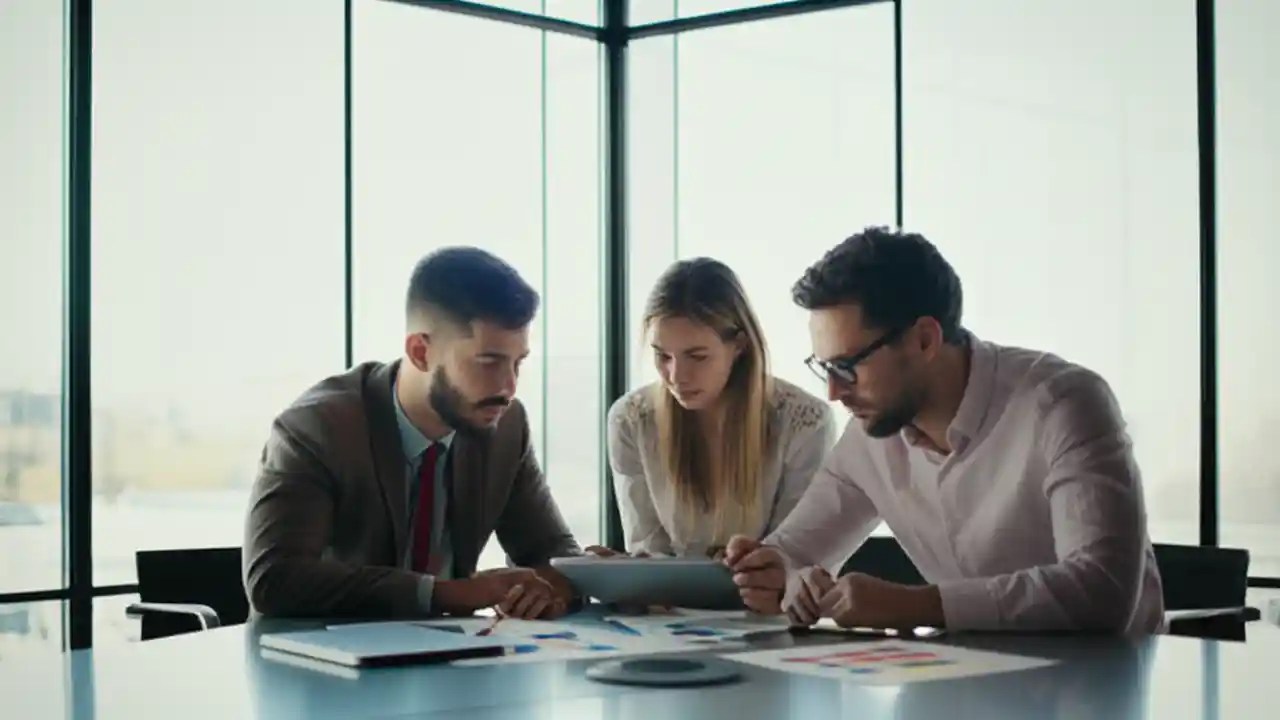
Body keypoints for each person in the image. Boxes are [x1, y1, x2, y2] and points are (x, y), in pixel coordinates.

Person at [725, 227, 1164, 634]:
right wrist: (779, 576)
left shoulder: (1062, 403)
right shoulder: (871, 434)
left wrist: (915, 605)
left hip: (1104, 680)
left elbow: (1101, 590)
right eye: (825, 368)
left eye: (847, 366)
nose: (834, 392)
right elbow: (792, 553)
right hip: (965, 675)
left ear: (924, 340)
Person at [243, 247, 580, 620]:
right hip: (318, 649)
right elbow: (275, 580)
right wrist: (453, 594)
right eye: (489, 362)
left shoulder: (505, 425)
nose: (509, 387)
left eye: (518, 363)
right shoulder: (319, 427)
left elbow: (549, 551)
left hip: (451, 649)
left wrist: (575, 581)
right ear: (420, 352)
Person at [607, 258, 834, 558]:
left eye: (697, 357)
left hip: (768, 589)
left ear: (739, 345)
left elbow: (795, 555)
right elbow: (647, 552)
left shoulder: (804, 422)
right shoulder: (631, 420)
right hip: (665, 591)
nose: (676, 376)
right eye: (663, 356)